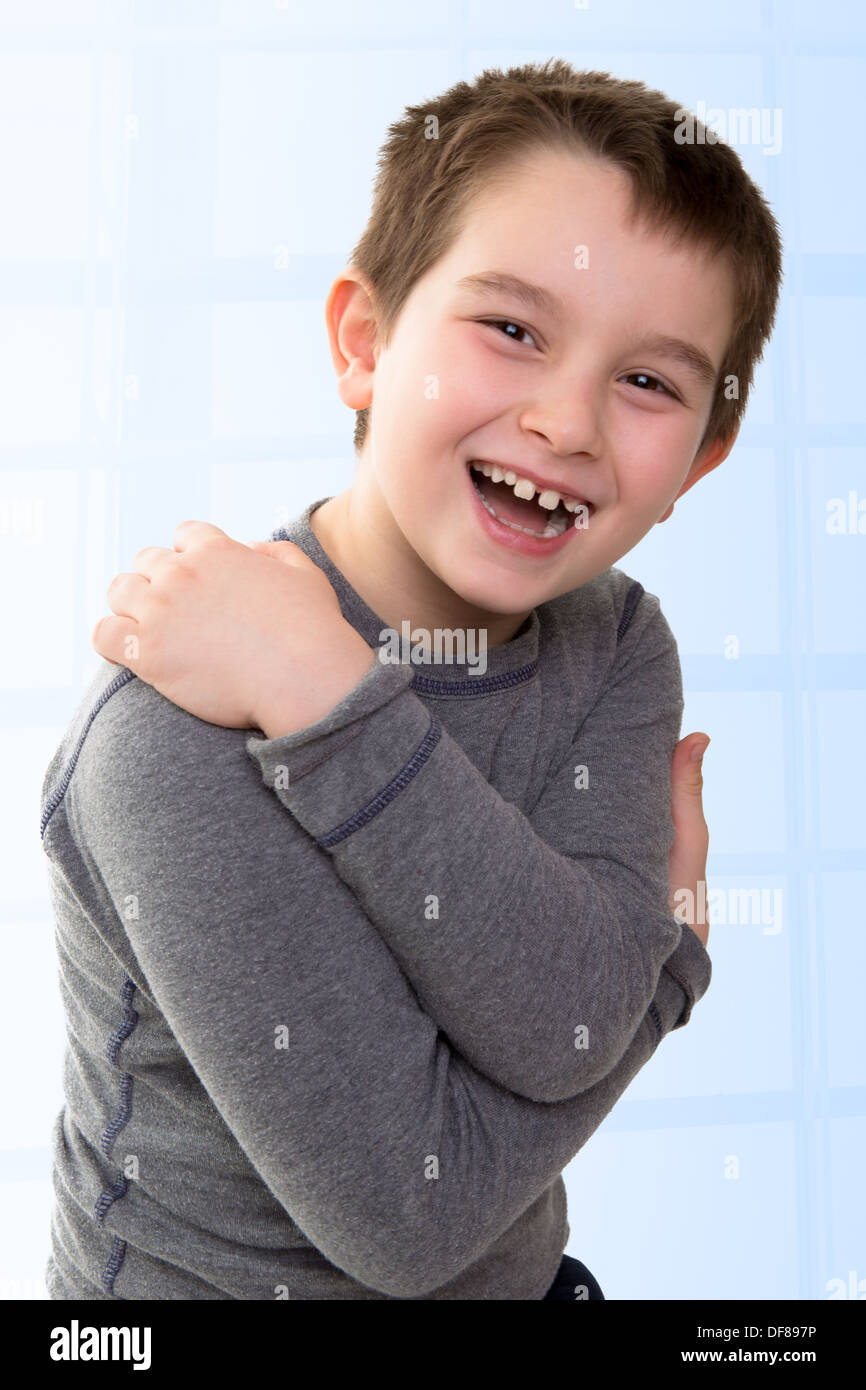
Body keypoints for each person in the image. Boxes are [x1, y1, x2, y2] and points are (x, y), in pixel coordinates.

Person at [41, 60, 782, 1300]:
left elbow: (560, 1022)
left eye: (647, 381)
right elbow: (409, 1217)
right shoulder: (174, 724)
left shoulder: (614, 642)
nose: (567, 422)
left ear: (696, 465)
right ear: (366, 343)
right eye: (511, 329)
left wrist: (334, 696)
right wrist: (668, 962)